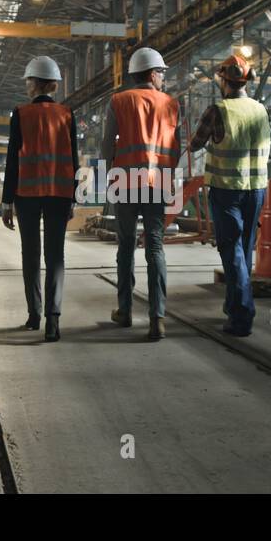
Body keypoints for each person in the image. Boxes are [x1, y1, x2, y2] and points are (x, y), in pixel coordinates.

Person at [101, 47, 180, 341]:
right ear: (151, 73)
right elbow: (175, 148)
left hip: (125, 182)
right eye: (161, 73)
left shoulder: (118, 101)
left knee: (125, 246)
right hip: (157, 182)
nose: (163, 78)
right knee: (155, 247)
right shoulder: (171, 104)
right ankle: (157, 317)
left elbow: (106, 146)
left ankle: (124, 311)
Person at [188, 54, 270, 337]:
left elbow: (195, 145)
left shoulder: (217, 110)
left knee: (232, 250)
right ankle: (234, 305)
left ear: (224, 81)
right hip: (257, 189)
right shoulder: (260, 110)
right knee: (244, 251)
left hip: (226, 190)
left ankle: (241, 316)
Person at [0, 56, 78, 342]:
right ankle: (53, 319)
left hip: (27, 194)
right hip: (59, 194)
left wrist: (7, 201)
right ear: (53, 84)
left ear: (35, 83)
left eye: (28, 80)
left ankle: (34, 314)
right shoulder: (67, 114)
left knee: (30, 254)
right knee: (55, 255)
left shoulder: (20, 114)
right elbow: (74, 160)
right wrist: (73, 199)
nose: (27, 85)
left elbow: (12, 161)